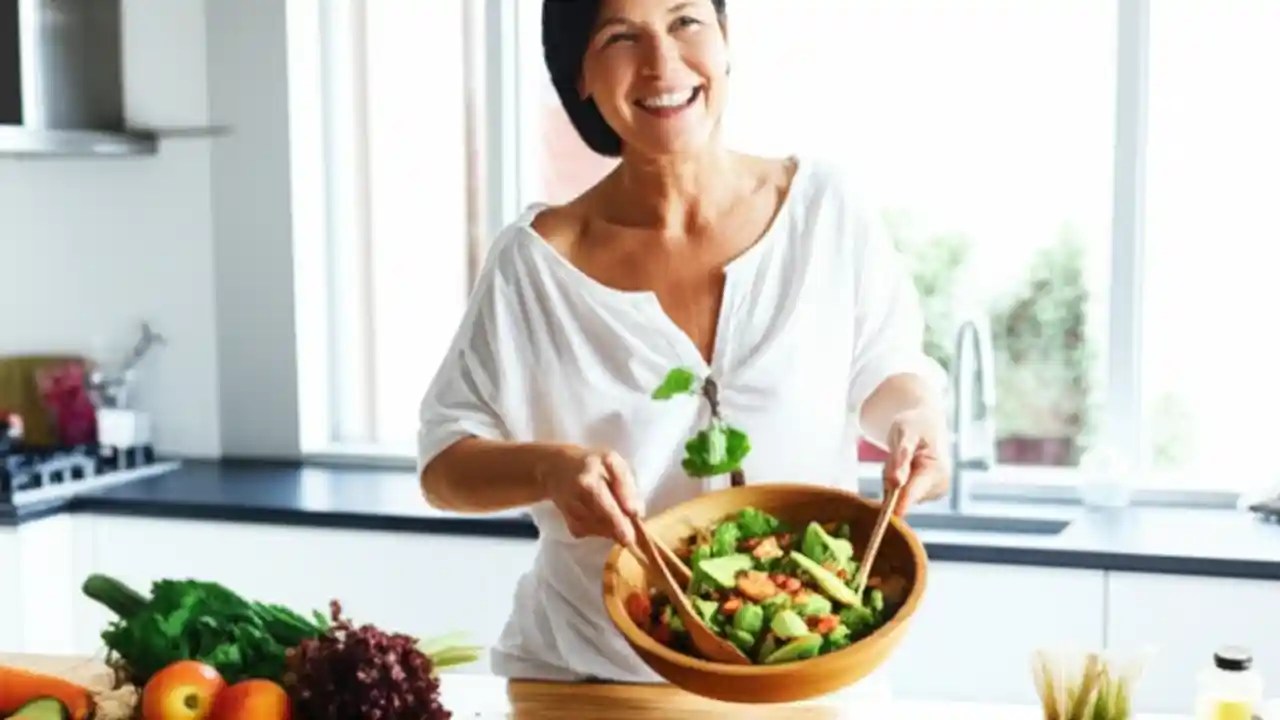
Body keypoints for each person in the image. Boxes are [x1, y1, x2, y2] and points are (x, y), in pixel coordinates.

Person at [418, 0, 950, 684]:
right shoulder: (536, 264)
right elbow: (444, 464)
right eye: (620, 36)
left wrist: (915, 419)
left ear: (725, 40)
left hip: (798, 675)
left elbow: (886, 366)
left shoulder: (823, 207)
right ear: (579, 74)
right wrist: (549, 467)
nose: (662, 62)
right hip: (589, 678)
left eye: (685, 21)